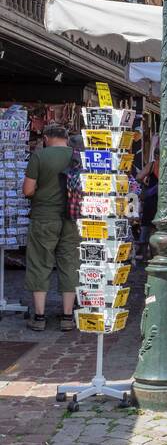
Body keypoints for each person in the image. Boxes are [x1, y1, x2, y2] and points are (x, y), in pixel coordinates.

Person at [22, 122, 75, 332]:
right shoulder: (76, 155)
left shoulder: (39, 156)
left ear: (45, 138)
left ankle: (40, 316)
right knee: (69, 263)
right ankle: (67, 316)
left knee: (39, 263)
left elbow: (27, 190)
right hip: (72, 218)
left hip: (44, 216)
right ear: (66, 138)